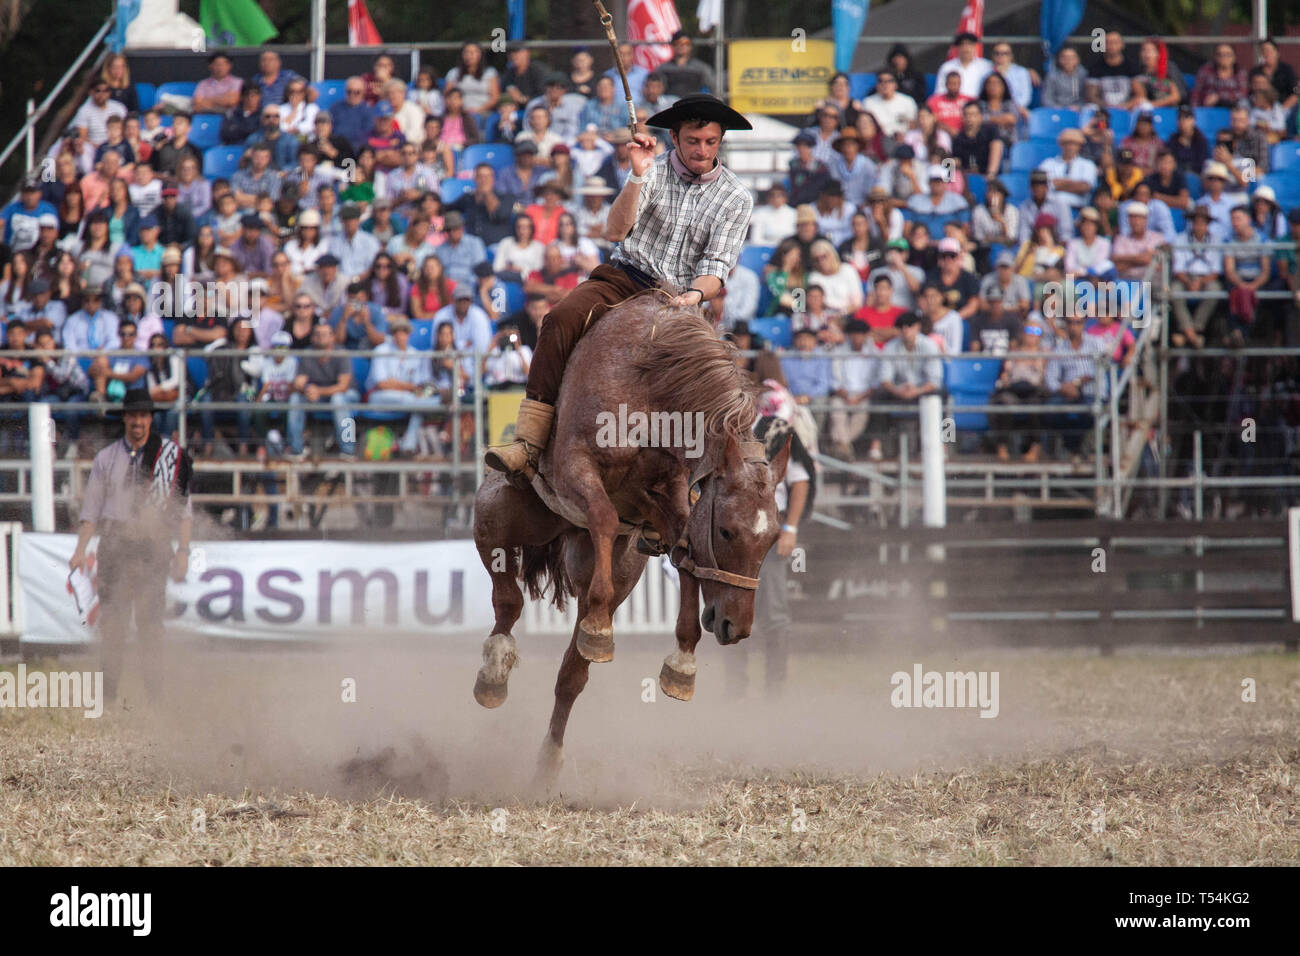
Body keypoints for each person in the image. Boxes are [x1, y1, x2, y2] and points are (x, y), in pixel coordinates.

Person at [484, 94, 753, 485]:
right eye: (694, 141)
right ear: (675, 138)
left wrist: (694, 296)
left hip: (683, 300)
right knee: (559, 319)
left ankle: (711, 475)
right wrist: (637, 174)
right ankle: (527, 442)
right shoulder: (652, 172)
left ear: (720, 141)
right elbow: (614, 232)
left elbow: (716, 268)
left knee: (713, 378)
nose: (702, 150)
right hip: (624, 278)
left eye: (711, 142)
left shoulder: (736, 197)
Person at [68, 389, 193, 704]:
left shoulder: (169, 459)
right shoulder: (106, 458)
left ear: (150, 419)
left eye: (143, 415)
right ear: (124, 418)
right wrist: (80, 549)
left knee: (150, 623)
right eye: (133, 415)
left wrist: (183, 551)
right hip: (115, 543)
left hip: (152, 546)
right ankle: (108, 694)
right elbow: (91, 511)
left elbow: (184, 511)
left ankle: (155, 695)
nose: (138, 421)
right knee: (114, 621)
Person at [287, 321, 358, 459]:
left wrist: (318, 391)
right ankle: (296, 449)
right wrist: (306, 389)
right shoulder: (307, 353)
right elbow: (299, 382)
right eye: (317, 334)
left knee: (338, 399)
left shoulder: (341, 353)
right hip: (318, 394)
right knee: (295, 398)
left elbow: (342, 387)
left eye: (325, 334)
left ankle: (348, 450)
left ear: (333, 337)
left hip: (347, 394)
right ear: (312, 337)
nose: (321, 337)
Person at [659, 31, 716, 98]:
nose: (681, 46)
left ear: (690, 46)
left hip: (693, 105)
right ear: (672, 45)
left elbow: (713, 87)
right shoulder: (663, 69)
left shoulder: (701, 68)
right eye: (677, 43)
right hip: (670, 106)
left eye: (685, 43)